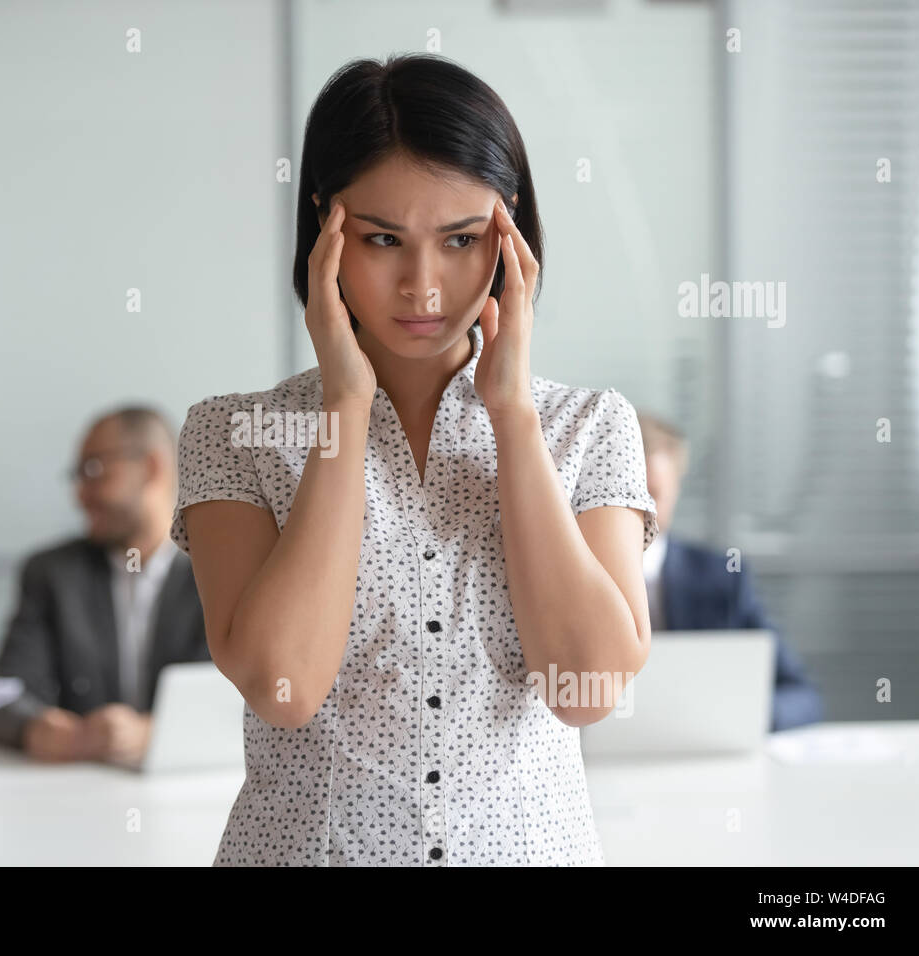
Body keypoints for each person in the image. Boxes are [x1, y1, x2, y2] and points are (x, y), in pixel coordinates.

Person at [171, 54, 660, 866]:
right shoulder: (234, 434)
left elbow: (591, 687)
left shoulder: (590, 426)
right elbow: (282, 685)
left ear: (511, 239)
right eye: (383, 239)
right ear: (325, 229)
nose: (423, 287)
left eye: (463, 240)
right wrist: (345, 408)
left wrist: (513, 417)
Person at [0, 407, 209, 766]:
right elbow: (0, 698)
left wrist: (151, 733)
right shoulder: (52, 574)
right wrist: (39, 730)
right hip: (76, 793)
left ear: (152, 468)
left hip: (194, 794)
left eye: (94, 470)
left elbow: (242, 703)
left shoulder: (217, 573)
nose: (80, 496)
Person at [637, 411, 824, 731]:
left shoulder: (722, 578)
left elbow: (801, 696)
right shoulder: (562, 580)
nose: (639, 509)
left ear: (676, 490)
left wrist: (740, 716)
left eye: (651, 495)